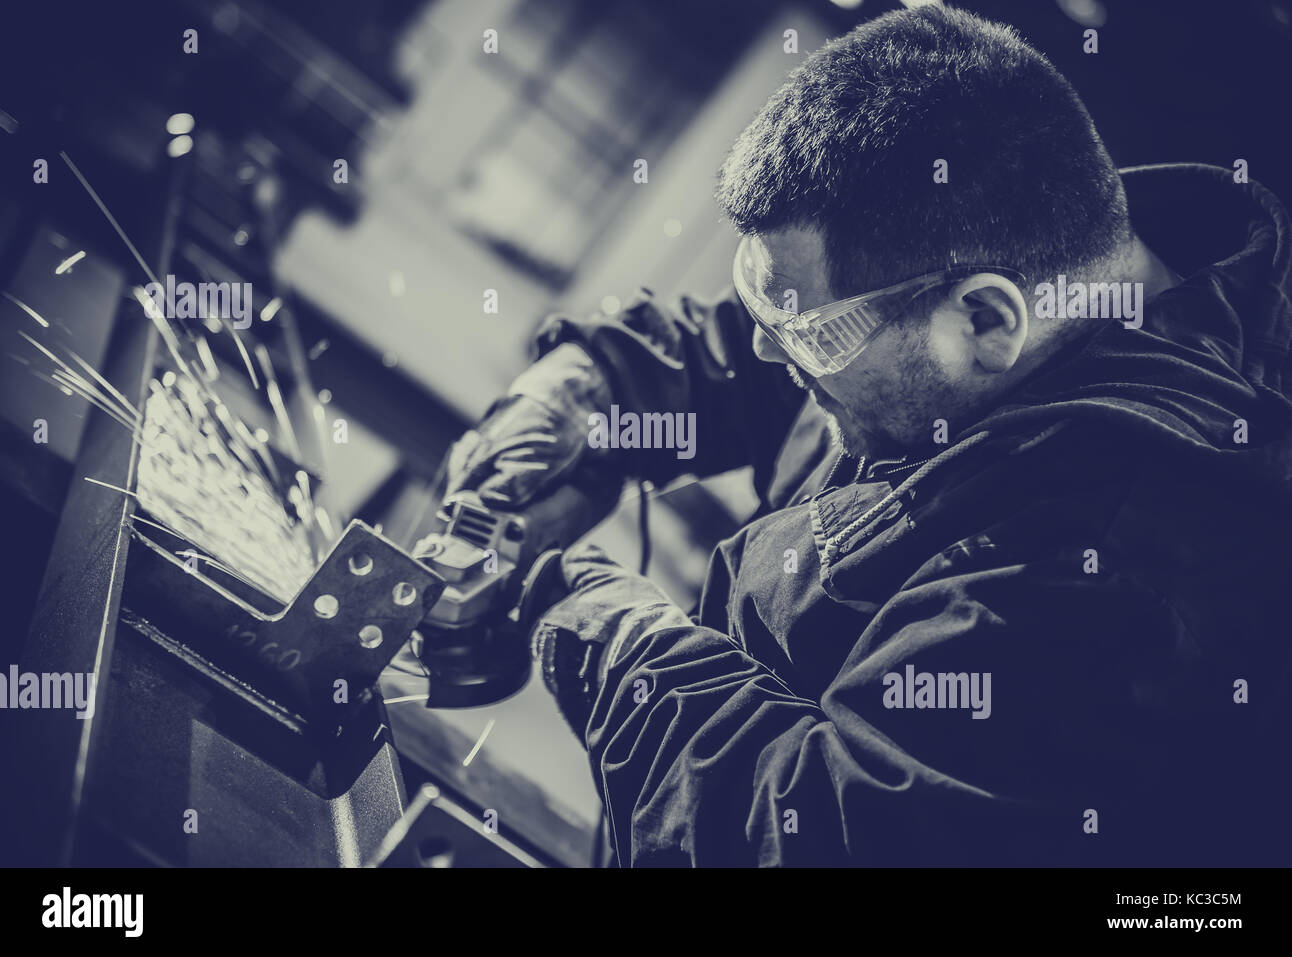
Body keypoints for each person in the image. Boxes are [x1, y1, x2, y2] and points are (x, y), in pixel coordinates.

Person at [445, 6, 1292, 866]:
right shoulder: (1027, 285)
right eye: (763, 315)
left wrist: (620, 648)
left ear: (987, 319)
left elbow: (815, 831)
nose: (777, 358)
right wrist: (601, 391)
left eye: (806, 340)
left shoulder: (1125, 568)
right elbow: (756, 370)